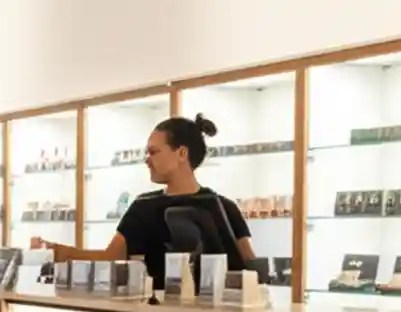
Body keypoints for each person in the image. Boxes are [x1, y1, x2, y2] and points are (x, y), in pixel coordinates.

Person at [34, 114, 256, 288]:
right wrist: (60, 253)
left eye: (154, 152)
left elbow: (249, 272)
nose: (147, 160)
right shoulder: (143, 207)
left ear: (181, 153)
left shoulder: (225, 207)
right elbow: (111, 258)